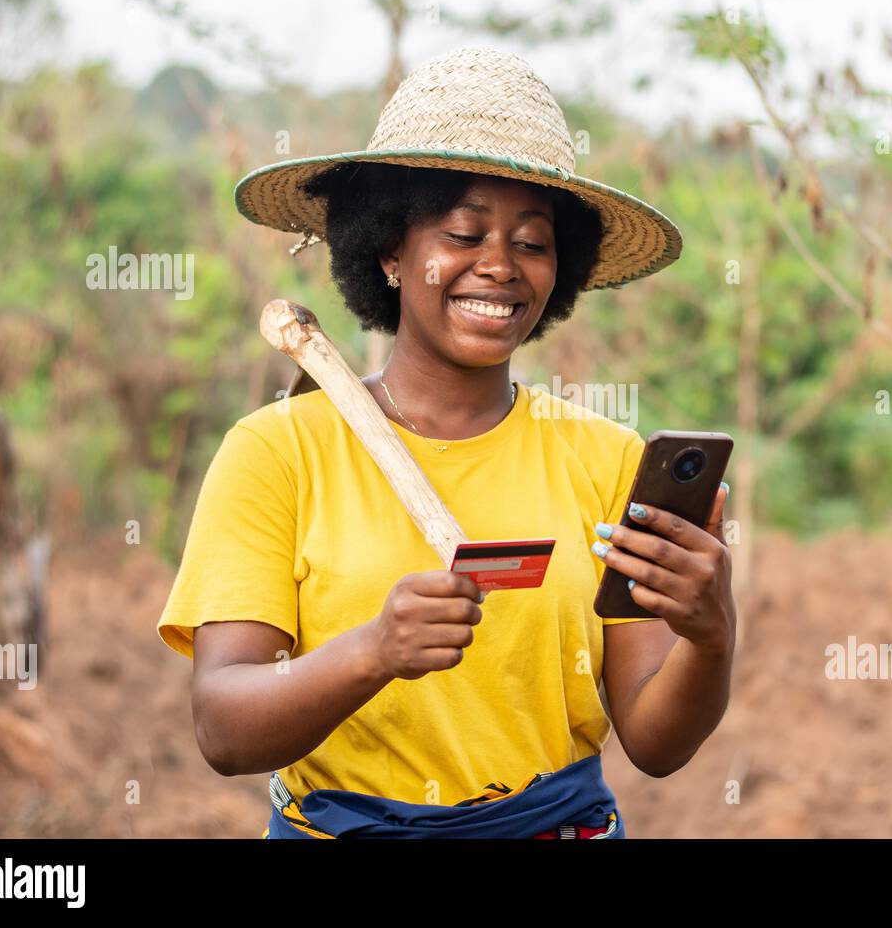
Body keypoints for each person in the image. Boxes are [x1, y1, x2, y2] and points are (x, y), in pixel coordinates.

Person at [156, 47, 736, 838]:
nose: (499, 266)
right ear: (391, 251)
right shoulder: (279, 452)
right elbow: (223, 727)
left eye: (532, 244)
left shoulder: (604, 460)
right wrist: (372, 652)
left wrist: (710, 634)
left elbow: (655, 742)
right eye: (464, 233)